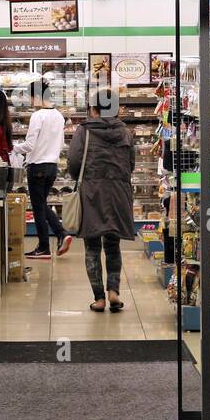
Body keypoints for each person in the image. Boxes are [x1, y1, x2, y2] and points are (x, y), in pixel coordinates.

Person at [66, 85, 135, 311]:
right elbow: (130, 165)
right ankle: (114, 291)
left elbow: (74, 163)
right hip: (118, 193)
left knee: (92, 247)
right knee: (113, 245)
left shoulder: (84, 131)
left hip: (92, 192)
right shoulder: (125, 132)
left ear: (94, 109)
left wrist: (84, 178)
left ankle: (99, 299)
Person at [17, 78, 72, 259]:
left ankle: (43, 247)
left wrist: (13, 147)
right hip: (52, 166)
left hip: (37, 166)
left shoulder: (38, 116)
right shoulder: (58, 116)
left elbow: (30, 145)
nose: (31, 102)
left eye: (32, 98)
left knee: (38, 208)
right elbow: (62, 143)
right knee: (41, 204)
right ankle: (61, 234)